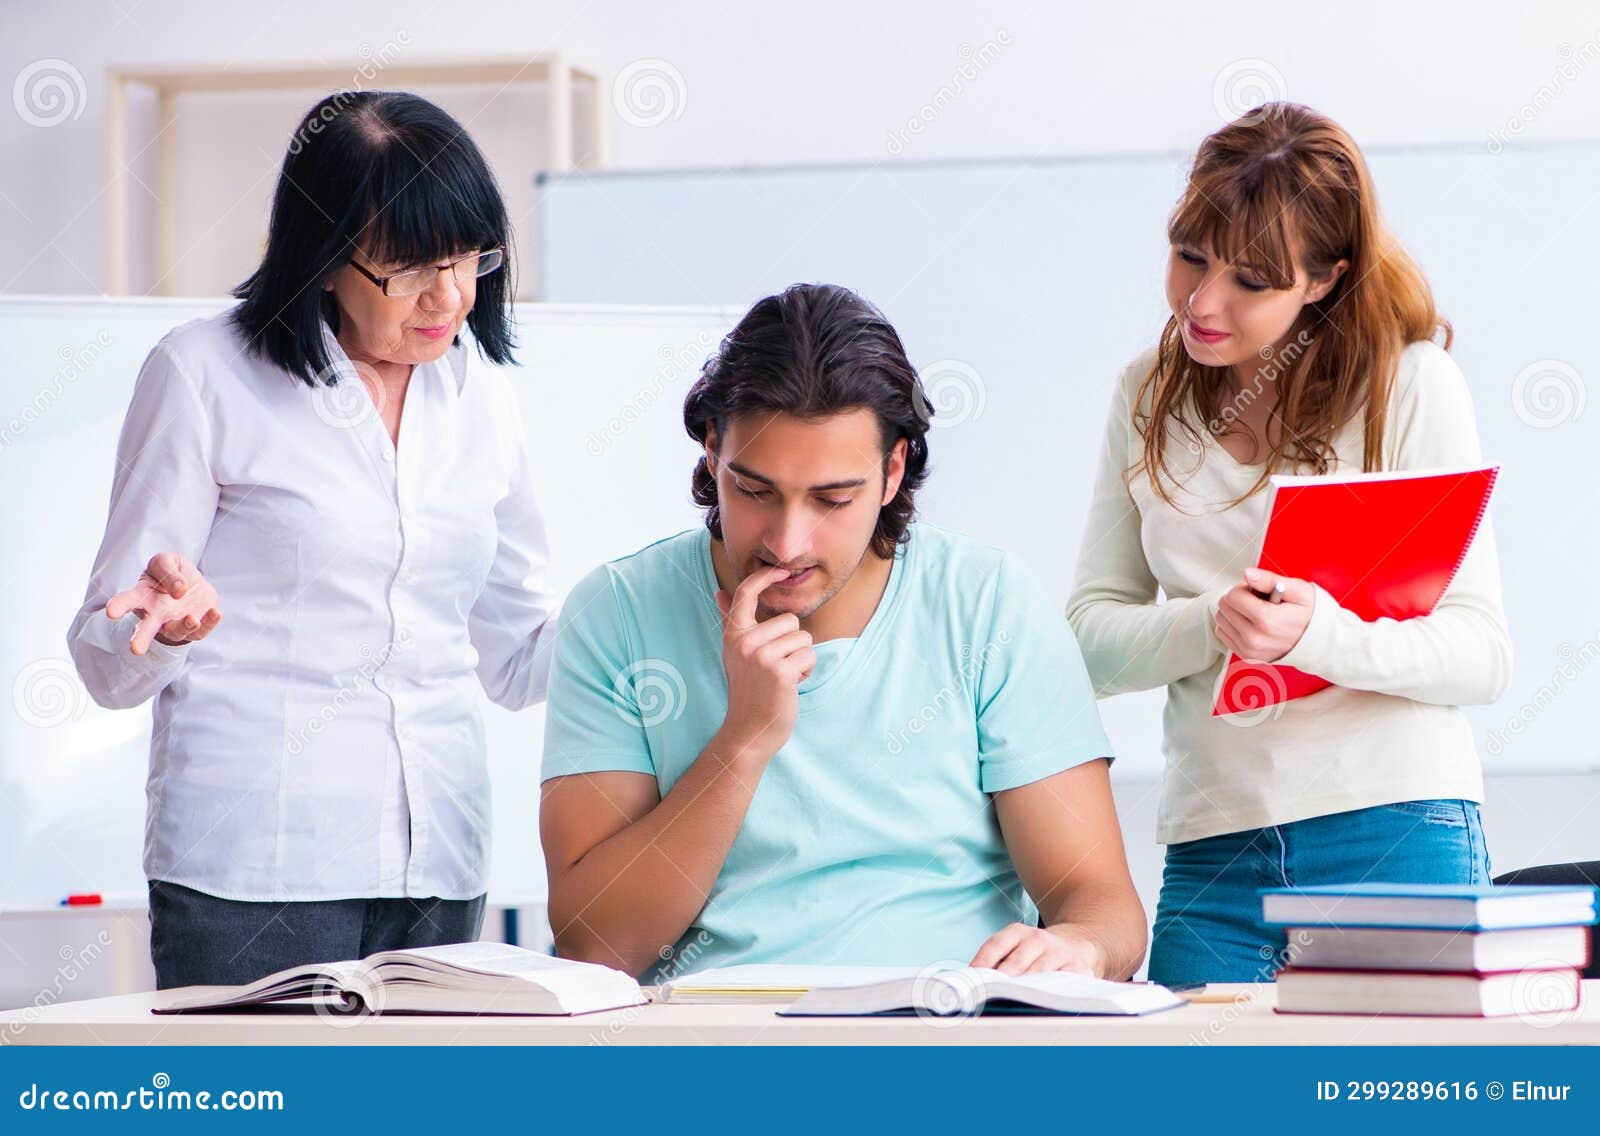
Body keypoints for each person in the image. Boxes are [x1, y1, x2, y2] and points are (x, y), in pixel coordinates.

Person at [67, 91, 554, 988]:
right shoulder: (204, 373)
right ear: (326, 259)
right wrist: (162, 630)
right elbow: (104, 658)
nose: (449, 297)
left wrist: (673, 605)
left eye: (467, 260)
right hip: (255, 870)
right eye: (410, 268)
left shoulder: (480, 393)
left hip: (439, 862)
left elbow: (519, 657)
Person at [539, 283, 1146, 982]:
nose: (787, 541)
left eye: (831, 499)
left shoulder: (988, 605)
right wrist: (744, 742)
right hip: (710, 1046)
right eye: (755, 490)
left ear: (892, 471)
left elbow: (1103, 908)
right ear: (711, 451)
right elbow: (597, 945)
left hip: (938, 1040)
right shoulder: (618, 613)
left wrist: (1081, 947)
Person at [1066, 103, 1511, 986]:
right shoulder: (1145, 394)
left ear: (1323, 279)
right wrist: (1214, 623)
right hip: (1214, 848)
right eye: (1190, 256)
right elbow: (1087, 640)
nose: (1203, 302)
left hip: (1395, 830)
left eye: (1252, 280)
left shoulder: (1410, 384)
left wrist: (1317, 635)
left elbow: (1482, 656)